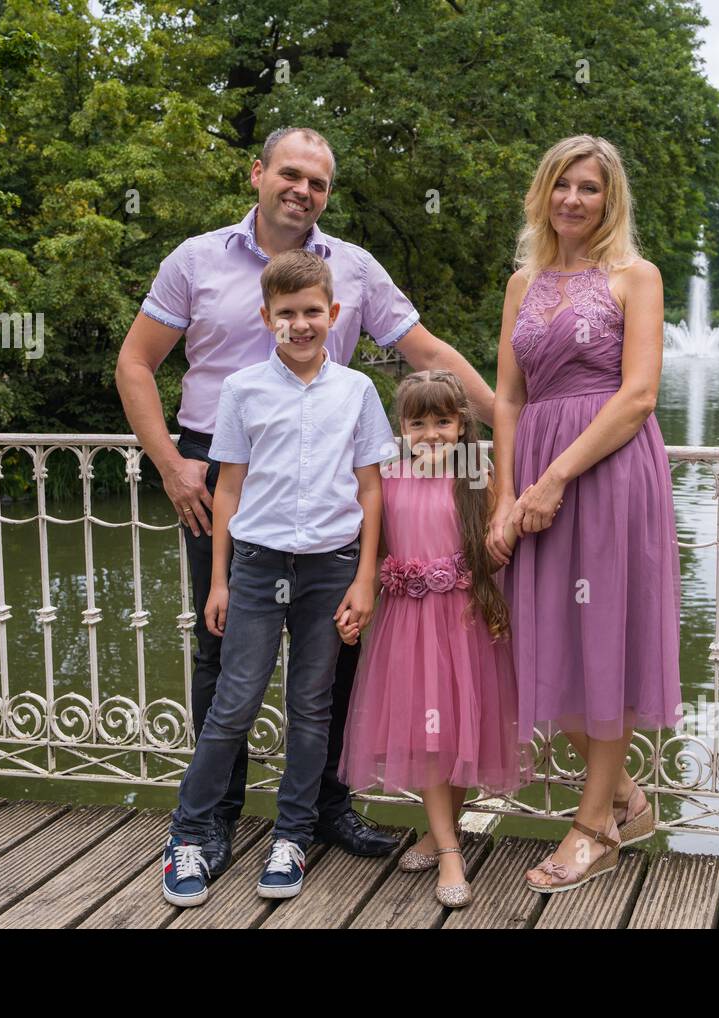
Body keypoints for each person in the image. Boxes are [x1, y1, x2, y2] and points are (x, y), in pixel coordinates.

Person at [116, 127, 495, 876]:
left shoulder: (352, 268)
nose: (303, 190)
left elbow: (426, 352)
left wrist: (509, 424)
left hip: (327, 487)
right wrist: (169, 464)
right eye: (290, 174)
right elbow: (135, 361)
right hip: (217, 473)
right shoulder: (196, 259)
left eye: (318, 182)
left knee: (335, 660)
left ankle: (323, 811)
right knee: (220, 656)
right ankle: (214, 820)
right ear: (257, 174)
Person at [162, 250, 396, 906]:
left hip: (331, 569)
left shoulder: (357, 391)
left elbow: (370, 491)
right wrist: (219, 582)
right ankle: (187, 834)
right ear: (266, 318)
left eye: (312, 312)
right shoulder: (242, 390)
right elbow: (227, 490)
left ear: (334, 314)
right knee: (233, 703)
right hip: (259, 569)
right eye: (287, 314)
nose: (300, 324)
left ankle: (291, 836)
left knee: (311, 708)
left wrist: (365, 580)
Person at [486, 135, 682, 893]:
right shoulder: (522, 283)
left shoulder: (637, 277)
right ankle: (626, 797)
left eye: (590, 188)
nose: (573, 199)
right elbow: (508, 396)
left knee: (603, 642)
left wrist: (555, 479)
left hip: (605, 475)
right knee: (531, 639)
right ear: (544, 192)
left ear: (611, 199)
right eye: (562, 185)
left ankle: (593, 825)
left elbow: (638, 396)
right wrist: (507, 491)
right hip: (533, 473)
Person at [336, 370, 531, 907]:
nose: (431, 434)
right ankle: (449, 848)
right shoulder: (387, 474)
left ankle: (439, 834)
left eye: (442, 421)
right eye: (417, 423)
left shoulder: (478, 474)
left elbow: (499, 541)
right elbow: (372, 549)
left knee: (457, 732)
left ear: (462, 423)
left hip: (465, 622)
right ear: (400, 427)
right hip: (408, 625)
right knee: (426, 735)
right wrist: (362, 595)